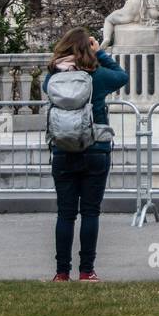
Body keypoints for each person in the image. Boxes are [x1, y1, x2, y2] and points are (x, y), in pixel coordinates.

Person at [43, 27, 129, 282]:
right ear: (87, 48)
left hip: (62, 148)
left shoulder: (52, 79)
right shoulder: (98, 76)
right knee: (90, 212)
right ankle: (86, 271)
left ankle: (61, 272)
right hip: (96, 149)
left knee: (65, 214)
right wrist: (100, 53)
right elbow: (121, 76)